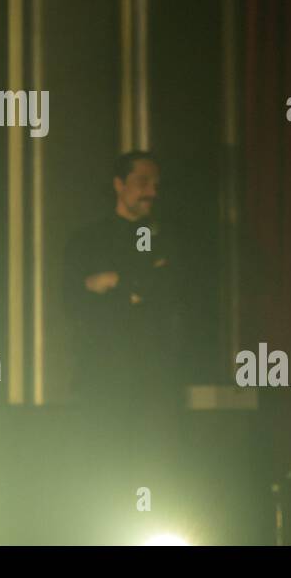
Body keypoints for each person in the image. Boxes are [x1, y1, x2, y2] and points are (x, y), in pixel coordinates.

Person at [63, 151, 194, 417]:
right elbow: (73, 302)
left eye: (155, 184)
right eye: (142, 182)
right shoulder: (87, 241)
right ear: (119, 185)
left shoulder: (163, 237)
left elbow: (166, 289)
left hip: (154, 381)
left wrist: (114, 281)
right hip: (102, 377)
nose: (151, 192)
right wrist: (136, 287)